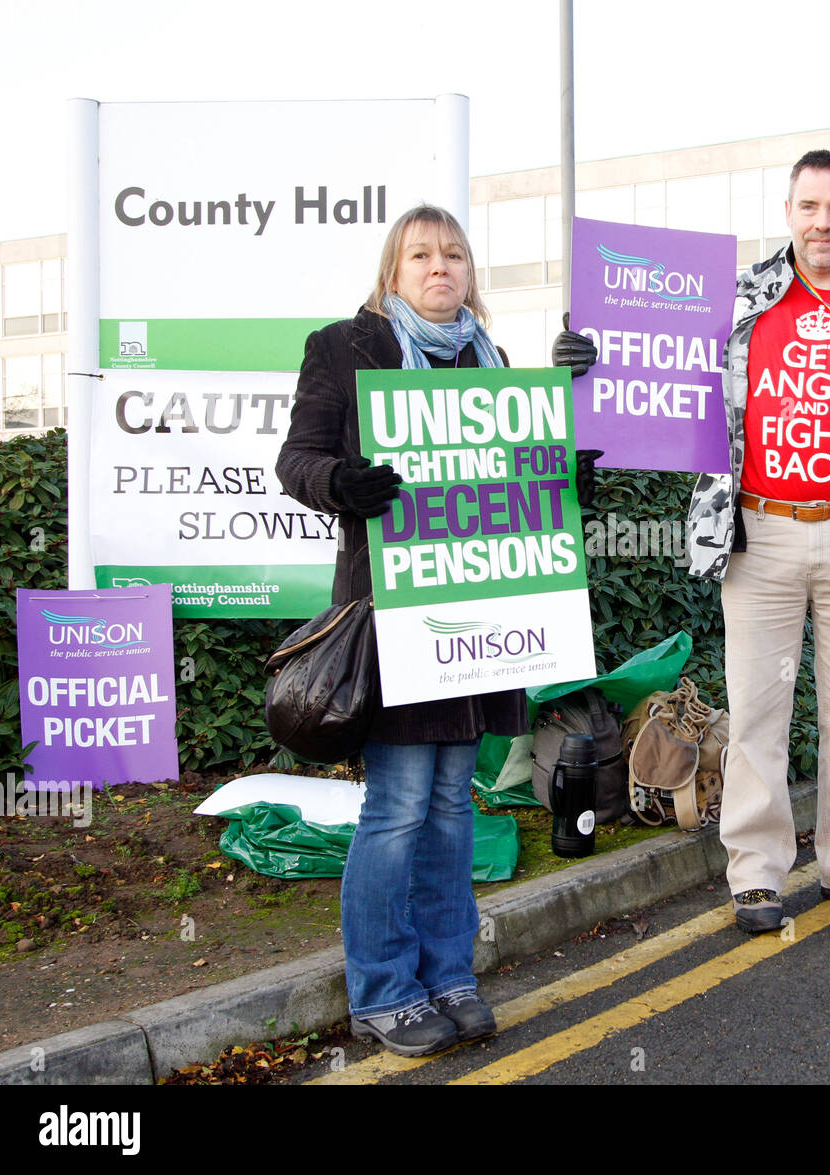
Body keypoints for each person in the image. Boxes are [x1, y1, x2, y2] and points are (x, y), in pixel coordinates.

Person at [559, 149, 830, 932]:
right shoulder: (737, 298)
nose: (823, 221)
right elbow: (659, 369)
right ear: (788, 213)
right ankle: (757, 872)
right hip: (759, 534)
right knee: (757, 711)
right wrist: (589, 369)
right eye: (809, 206)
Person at [276, 204, 526, 1055]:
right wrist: (345, 482)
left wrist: (566, 466)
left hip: (481, 608)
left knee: (454, 805)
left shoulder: (494, 364)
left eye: (454, 253)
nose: (440, 267)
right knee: (399, 807)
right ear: (394, 269)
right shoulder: (346, 348)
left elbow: (518, 481)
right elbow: (296, 461)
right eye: (420, 254)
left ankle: (449, 974)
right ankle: (384, 989)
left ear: (470, 270)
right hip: (394, 613)